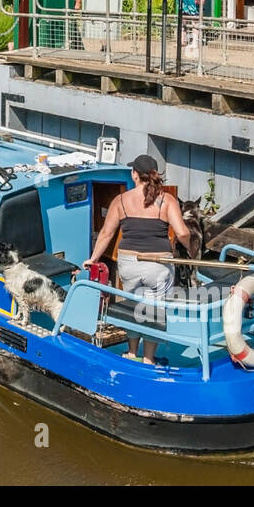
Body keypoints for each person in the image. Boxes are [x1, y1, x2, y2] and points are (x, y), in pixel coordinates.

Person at [85, 154, 190, 365]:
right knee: (154, 310)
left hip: (129, 264)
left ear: (134, 174)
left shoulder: (121, 200)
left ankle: (132, 353)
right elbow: (183, 233)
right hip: (158, 264)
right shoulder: (167, 200)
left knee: (134, 305)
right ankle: (149, 358)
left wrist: (93, 258)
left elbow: (106, 233)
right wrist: (189, 251)